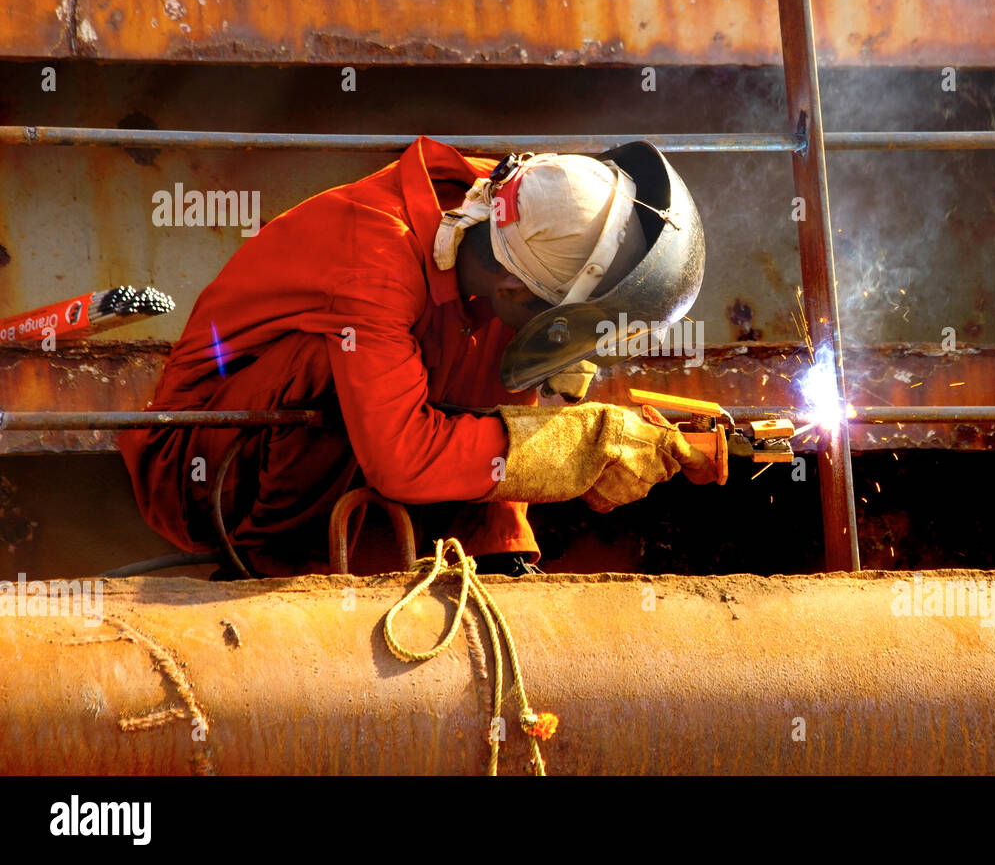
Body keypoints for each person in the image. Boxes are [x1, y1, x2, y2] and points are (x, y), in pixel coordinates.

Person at [118, 137, 710, 577]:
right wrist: (573, 444)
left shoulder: (506, 211)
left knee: (498, 336)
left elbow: (503, 365)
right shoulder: (375, 259)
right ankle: (278, 568)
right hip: (201, 463)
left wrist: (598, 435)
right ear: (511, 288)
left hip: (363, 434)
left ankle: (496, 554)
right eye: (559, 320)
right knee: (336, 356)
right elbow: (401, 458)